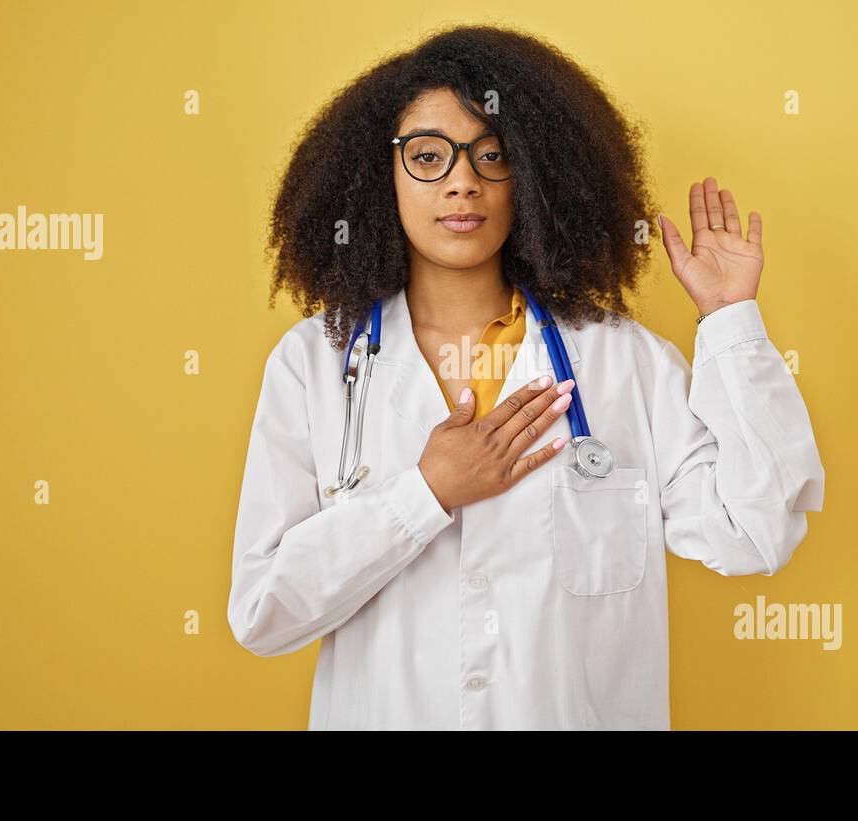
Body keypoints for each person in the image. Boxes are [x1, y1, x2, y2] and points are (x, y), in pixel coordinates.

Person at [228, 24, 825, 730]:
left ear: (537, 175)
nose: (462, 182)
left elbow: (753, 534)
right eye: (427, 156)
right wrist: (424, 494)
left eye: (494, 155)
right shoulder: (317, 365)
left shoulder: (623, 363)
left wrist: (730, 323)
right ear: (376, 174)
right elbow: (263, 611)